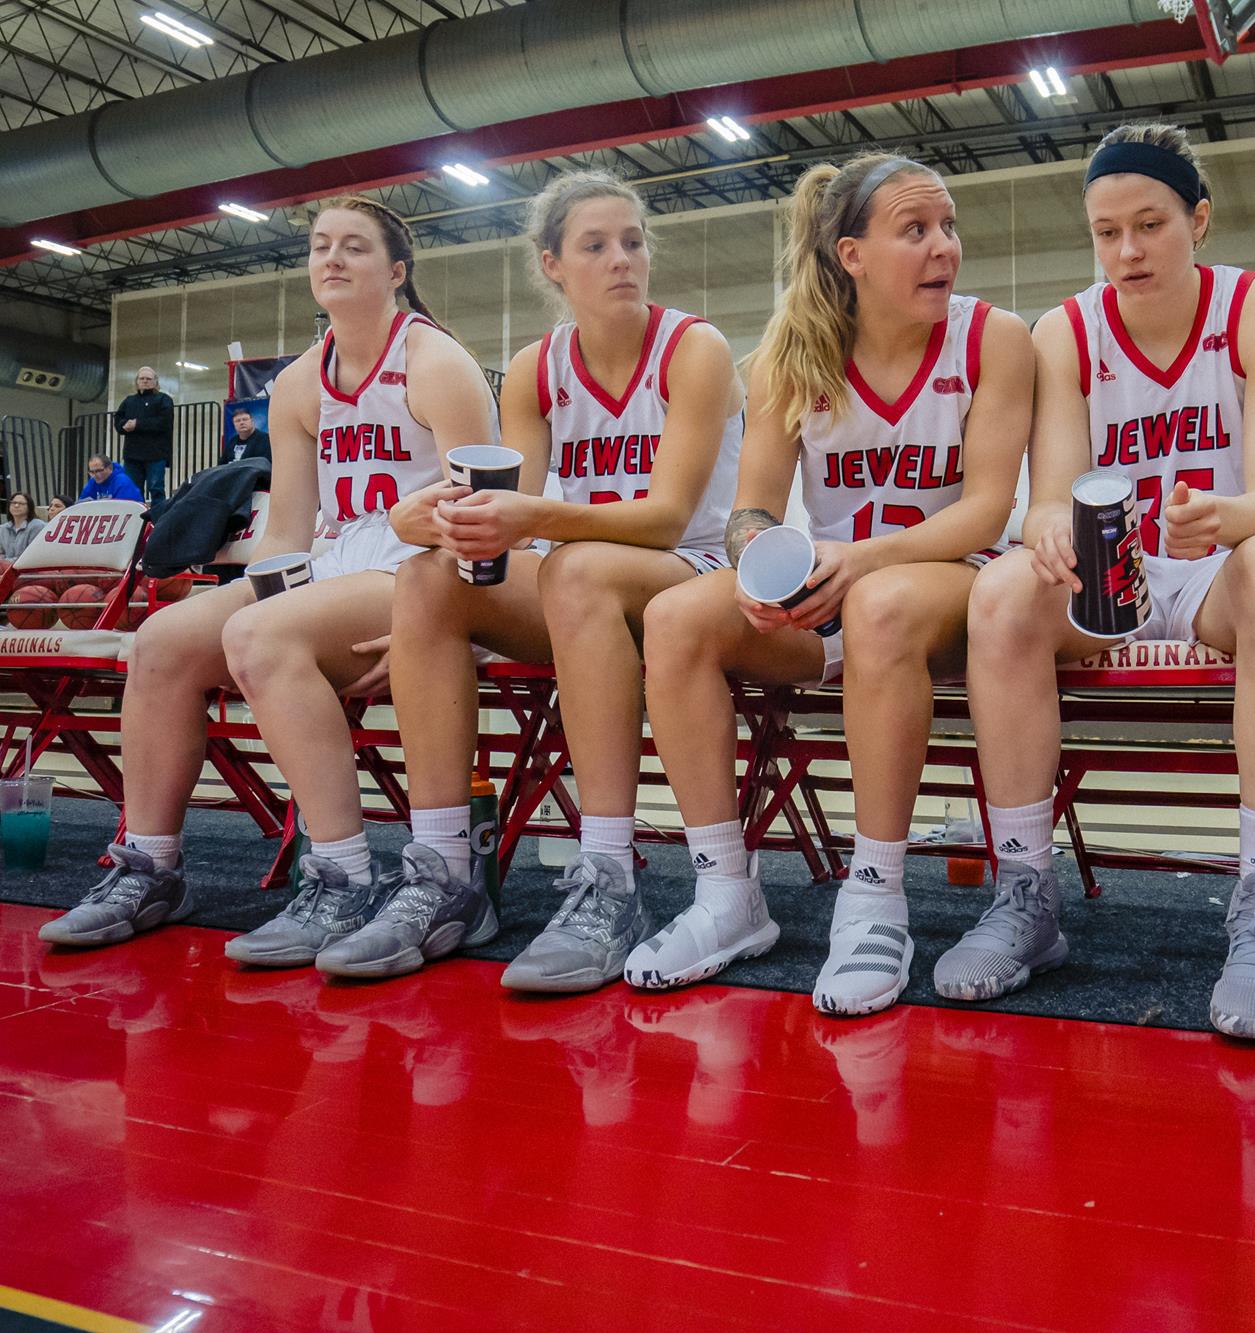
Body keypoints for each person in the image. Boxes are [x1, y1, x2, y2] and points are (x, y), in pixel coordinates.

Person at [935, 123, 1255, 1042]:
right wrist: (1045, 526)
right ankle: (1026, 892)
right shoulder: (1065, 331)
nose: (1127, 251)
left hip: (1229, 569)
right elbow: (1053, 495)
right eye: (1106, 232)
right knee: (1001, 591)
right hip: (1122, 580)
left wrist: (1224, 516)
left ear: (1199, 219)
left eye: (1150, 225)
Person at [629, 153, 1032, 1018]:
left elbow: (988, 510)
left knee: (881, 605)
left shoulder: (992, 337)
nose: (944, 247)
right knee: (674, 617)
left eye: (948, 227)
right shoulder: (789, 355)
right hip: (838, 587)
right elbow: (750, 510)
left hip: (955, 588)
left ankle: (875, 896)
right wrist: (756, 563)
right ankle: (724, 895)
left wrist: (866, 560)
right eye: (915, 230)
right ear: (852, 255)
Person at [40, 197, 496, 959]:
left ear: (397, 271)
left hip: (417, 571)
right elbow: (285, 533)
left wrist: (436, 626)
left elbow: (484, 515)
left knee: (259, 635)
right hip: (335, 568)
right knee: (160, 641)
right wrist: (252, 598)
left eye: (354, 246)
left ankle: (343, 881)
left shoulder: (435, 362)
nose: (333, 258)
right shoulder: (297, 383)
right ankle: (151, 867)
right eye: (320, 245)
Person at [322, 169, 743, 988]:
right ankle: (447, 874)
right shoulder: (533, 368)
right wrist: (426, 520)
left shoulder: (694, 348)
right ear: (553, 265)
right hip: (578, 585)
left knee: (574, 568)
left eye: (633, 242)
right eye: (596, 245)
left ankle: (610, 879)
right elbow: (506, 517)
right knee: (429, 579)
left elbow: (665, 517)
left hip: (690, 574)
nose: (622, 259)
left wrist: (534, 518)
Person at [115, 366, 174, 505]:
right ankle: (135, 516)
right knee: (132, 491)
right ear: (137, 381)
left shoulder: (163, 399)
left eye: (148, 379)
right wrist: (124, 425)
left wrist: (138, 424)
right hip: (132, 455)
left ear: (155, 382)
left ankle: (158, 516)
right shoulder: (129, 401)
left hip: (156, 454)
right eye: (142, 378)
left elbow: (164, 422)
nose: (145, 381)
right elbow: (118, 420)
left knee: (156, 488)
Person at [79, 455, 143, 504]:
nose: (95, 475)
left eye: (99, 471)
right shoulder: (93, 481)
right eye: (92, 472)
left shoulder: (122, 482)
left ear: (110, 468)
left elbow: (123, 507)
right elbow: (80, 504)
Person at [1, 491, 43, 560]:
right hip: (6, 566)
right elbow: (1, 553)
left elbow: (32, 555)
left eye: (21, 503)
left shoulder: (37, 526)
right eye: (14, 503)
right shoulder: (3, 528)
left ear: (29, 507)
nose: (16, 505)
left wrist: (7, 562)